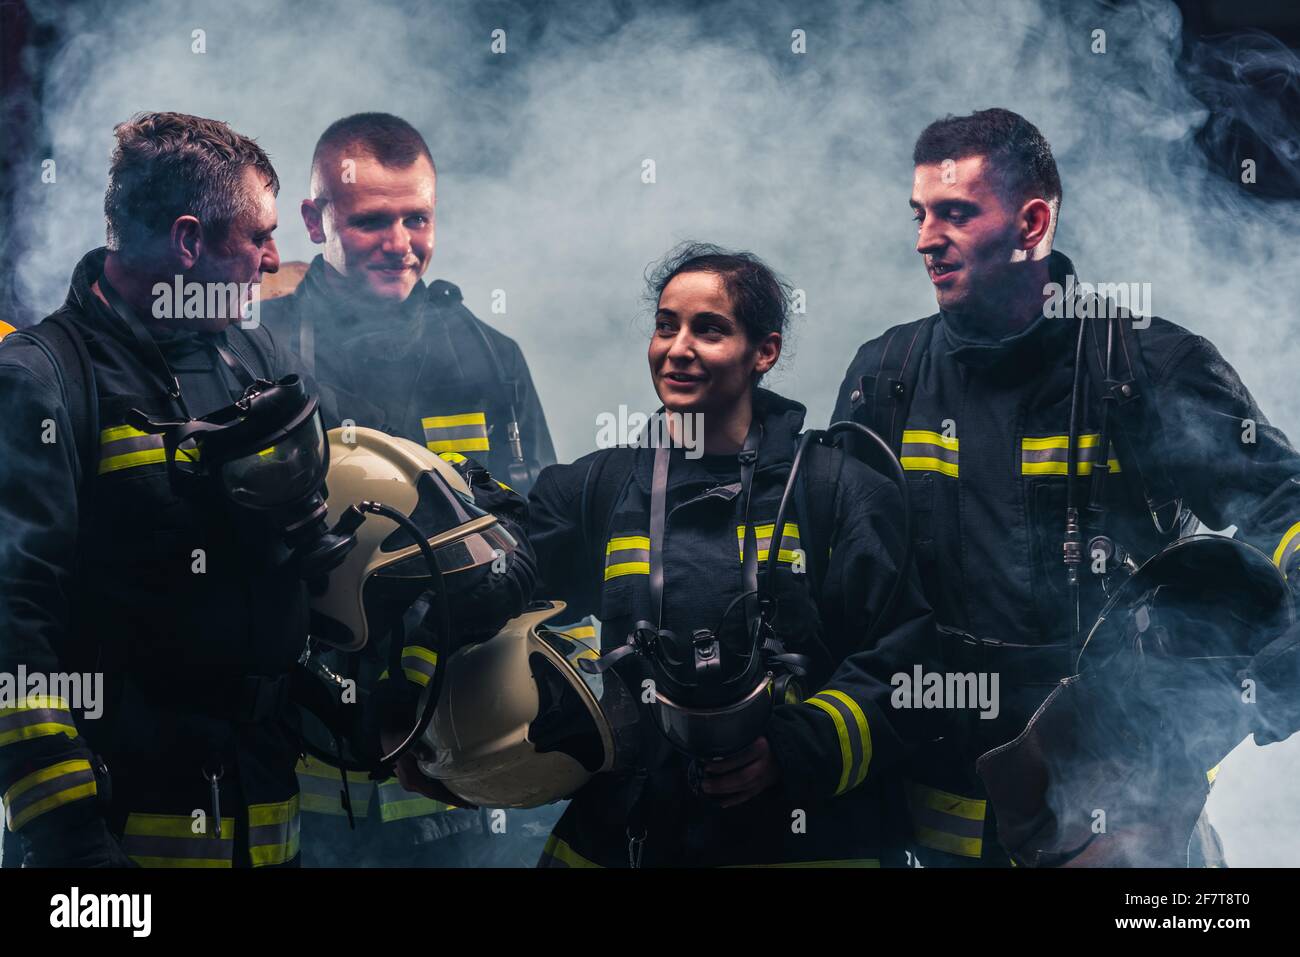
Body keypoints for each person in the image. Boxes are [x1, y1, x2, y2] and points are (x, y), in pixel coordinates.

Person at [833, 107, 1300, 866]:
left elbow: (1285, 508)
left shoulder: (1149, 367)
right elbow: (841, 585)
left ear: (1033, 222)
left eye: (954, 213)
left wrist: (1271, 678)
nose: (925, 238)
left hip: (1126, 819)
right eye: (919, 214)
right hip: (930, 821)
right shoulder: (883, 378)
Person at [526, 243, 944, 867]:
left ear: (764, 352)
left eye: (709, 330)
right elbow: (494, 616)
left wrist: (794, 749)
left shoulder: (839, 492)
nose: (678, 348)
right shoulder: (594, 488)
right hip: (634, 833)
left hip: (804, 840)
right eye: (666, 325)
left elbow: (908, 666)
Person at [0, 112, 309, 867]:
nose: (274, 260)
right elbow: (12, 630)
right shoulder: (41, 381)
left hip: (264, 821)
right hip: (121, 839)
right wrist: (70, 833)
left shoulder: (253, 356)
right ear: (187, 240)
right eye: (258, 236)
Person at [261, 112, 560, 866]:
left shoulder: (491, 356)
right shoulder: (256, 350)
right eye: (370, 222)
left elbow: (540, 529)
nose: (401, 245)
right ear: (312, 218)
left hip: (466, 755)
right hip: (313, 760)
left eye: (417, 218)